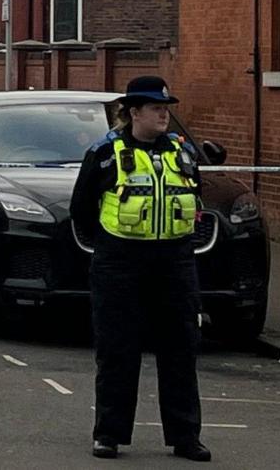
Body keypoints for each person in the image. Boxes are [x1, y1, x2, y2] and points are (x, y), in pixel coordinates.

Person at [70, 75, 211, 462]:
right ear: (134, 112)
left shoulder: (183, 152)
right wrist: (106, 249)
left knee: (181, 350)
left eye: (166, 108)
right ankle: (109, 435)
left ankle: (185, 437)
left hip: (175, 261)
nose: (164, 114)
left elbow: (195, 197)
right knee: (118, 350)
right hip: (120, 261)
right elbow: (81, 208)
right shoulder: (105, 153)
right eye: (156, 108)